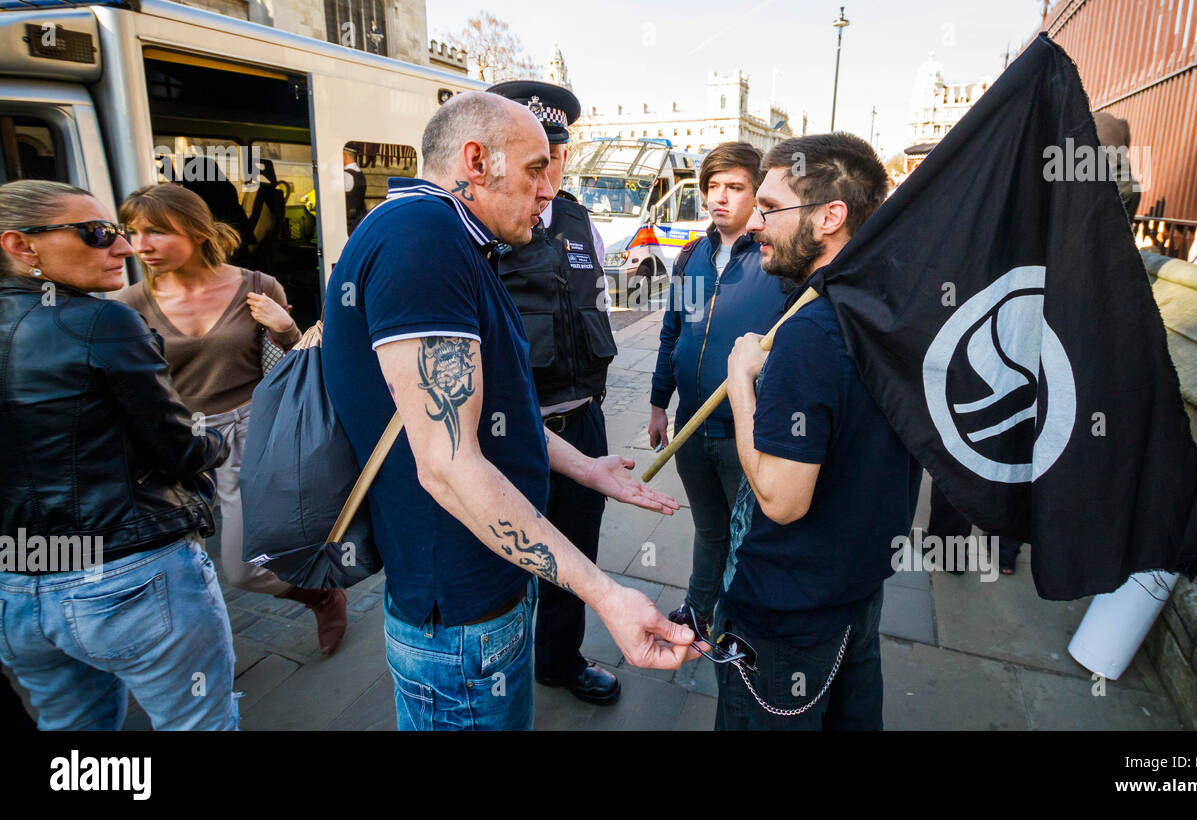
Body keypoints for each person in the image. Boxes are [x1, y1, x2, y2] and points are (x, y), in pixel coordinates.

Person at [321, 92, 694, 731]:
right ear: (476, 161)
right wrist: (605, 594)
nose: (548, 188)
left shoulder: (454, 239)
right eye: (533, 169)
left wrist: (585, 468)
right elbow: (448, 463)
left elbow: (490, 413)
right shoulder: (424, 240)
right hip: (460, 615)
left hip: (486, 589)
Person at [0, 179, 236, 729]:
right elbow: (180, 449)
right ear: (20, 245)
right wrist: (218, 441)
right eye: (98, 234)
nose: (124, 247)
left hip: (16, 584)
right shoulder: (101, 321)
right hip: (124, 575)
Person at [717, 134, 922, 730]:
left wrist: (740, 384)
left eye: (771, 207)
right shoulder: (886, 305)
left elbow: (782, 499)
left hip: (787, 612)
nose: (756, 222)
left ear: (830, 216)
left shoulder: (812, 330)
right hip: (854, 590)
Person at [117, 183, 348, 656]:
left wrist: (285, 328)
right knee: (180, 563)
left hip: (248, 430)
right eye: (132, 232)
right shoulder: (128, 305)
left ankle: (323, 596)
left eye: (157, 231)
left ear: (198, 231)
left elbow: (295, 365)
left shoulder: (258, 286)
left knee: (243, 569)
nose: (140, 245)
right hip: (175, 440)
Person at [489, 80, 623, 705]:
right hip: (508, 435)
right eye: (539, 156)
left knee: (575, 553)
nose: (552, 168)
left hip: (581, 423)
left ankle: (559, 661)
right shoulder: (483, 230)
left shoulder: (576, 219)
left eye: (559, 153)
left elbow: (590, 307)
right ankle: (500, 670)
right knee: (506, 557)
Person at [646, 142, 788, 638]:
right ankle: (699, 609)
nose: (719, 198)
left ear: (758, 195)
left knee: (746, 536)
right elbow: (673, 332)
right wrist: (659, 404)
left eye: (735, 187)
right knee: (709, 529)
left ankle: (741, 624)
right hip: (690, 428)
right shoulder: (691, 258)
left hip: (744, 433)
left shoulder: (777, 264)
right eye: (712, 186)